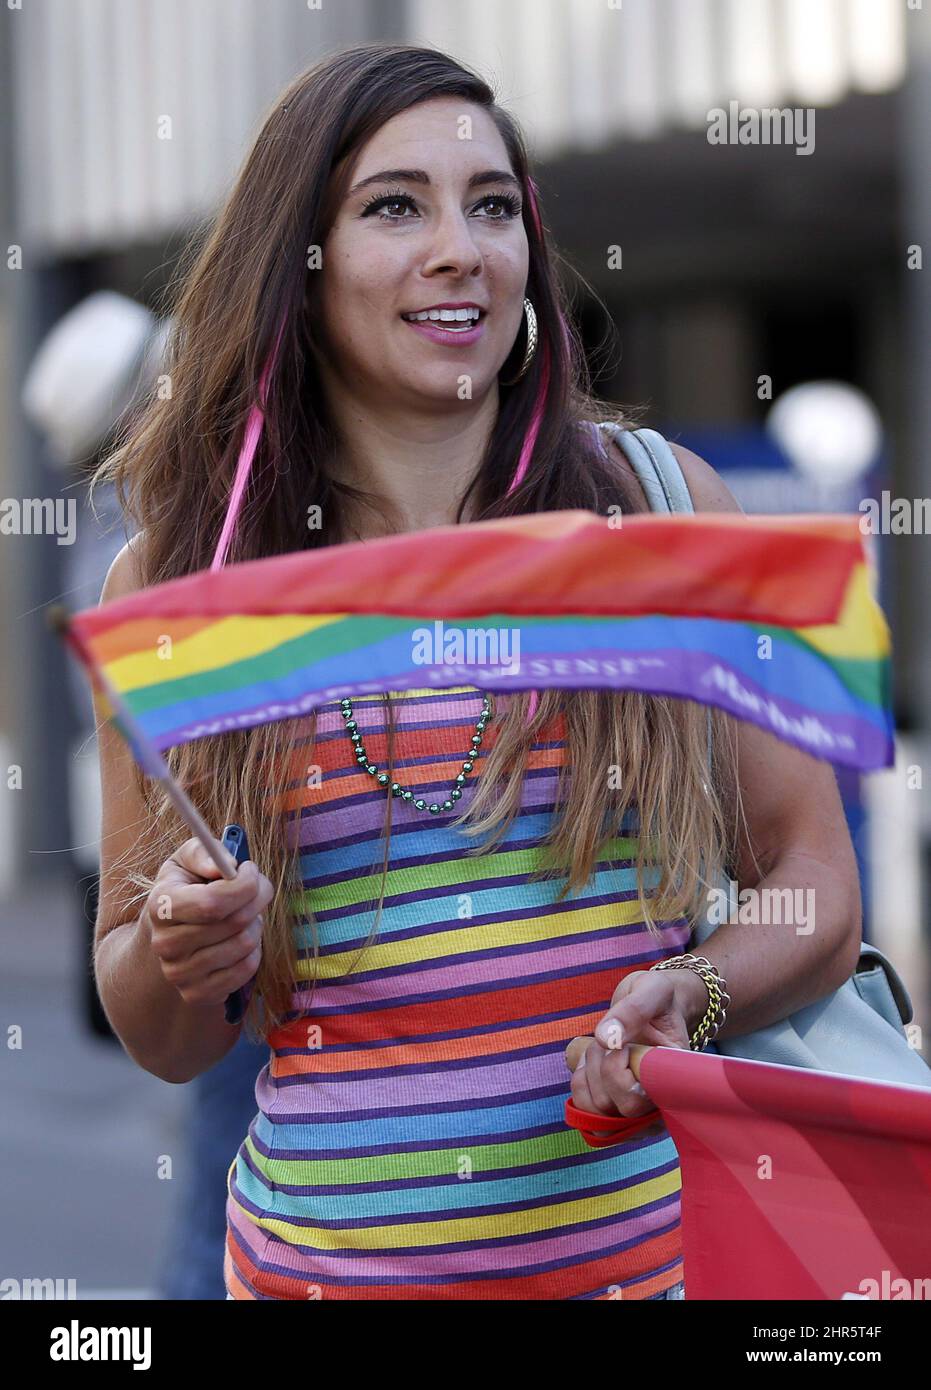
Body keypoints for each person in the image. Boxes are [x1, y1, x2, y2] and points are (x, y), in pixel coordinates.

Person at [88, 42, 862, 1301]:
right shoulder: (187, 582)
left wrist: (702, 987)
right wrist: (182, 947)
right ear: (304, 259)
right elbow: (158, 1031)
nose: (463, 249)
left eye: (492, 206)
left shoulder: (666, 516)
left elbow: (815, 881)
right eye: (397, 206)